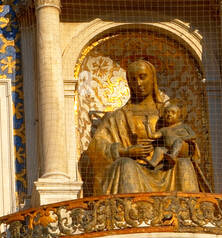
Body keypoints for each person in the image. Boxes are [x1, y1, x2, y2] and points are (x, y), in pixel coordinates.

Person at [82, 57, 211, 195]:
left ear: (153, 79)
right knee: (126, 165)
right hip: (135, 166)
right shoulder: (117, 117)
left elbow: (190, 146)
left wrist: (178, 148)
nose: (138, 83)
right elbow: (96, 148)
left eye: (142, 77)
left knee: (184, 164)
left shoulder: (169, 112)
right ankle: (130, 211)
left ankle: (189, 211)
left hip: (166, 167)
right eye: (133, 79)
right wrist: (126, 152)